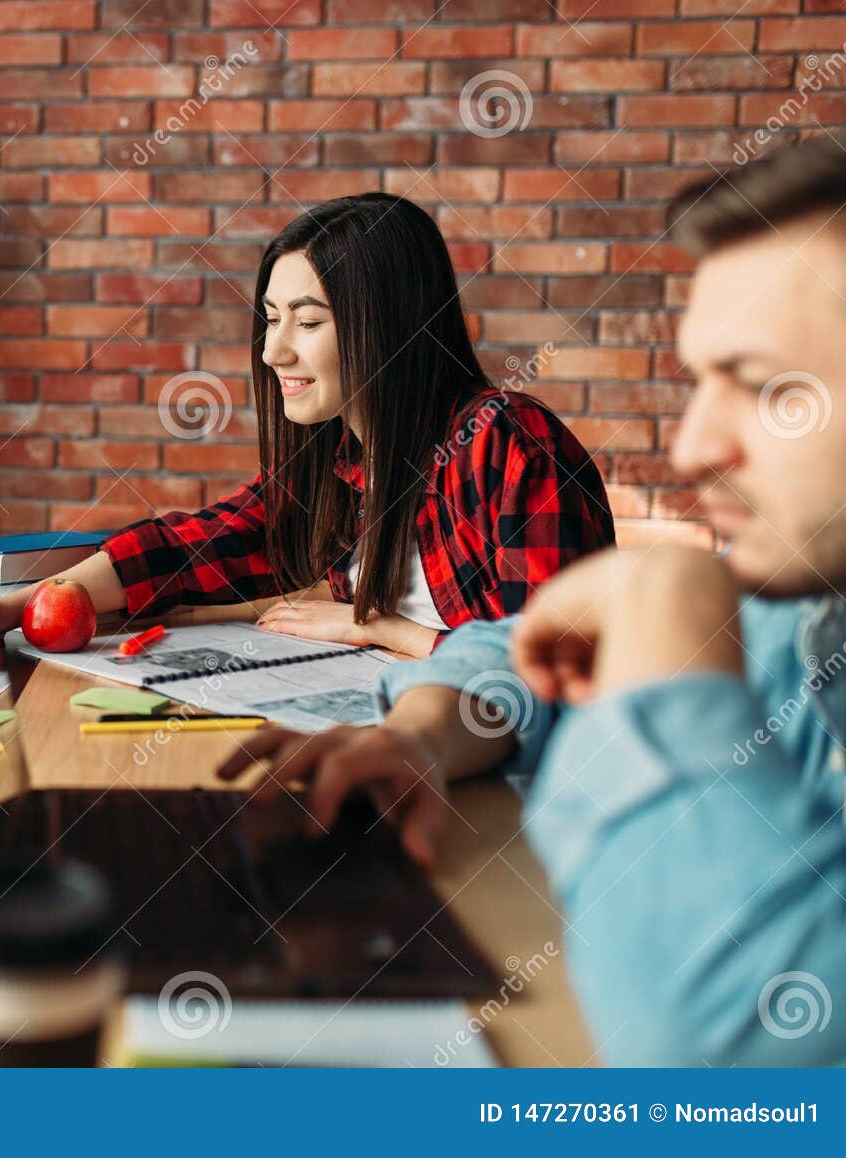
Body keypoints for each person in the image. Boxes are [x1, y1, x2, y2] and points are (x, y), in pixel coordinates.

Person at [222, 138, 846, 1065]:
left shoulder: (499, 440)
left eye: (761, 387)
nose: (691, 448)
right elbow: (521, 649)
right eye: (700, 381)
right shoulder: (797, 611)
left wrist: (665, 633)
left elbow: (724, 1066)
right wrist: (422, 736)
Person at [0, 193, 614, 659]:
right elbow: (201, 547)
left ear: (389, 329)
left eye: (308, 321)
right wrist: (19, 607)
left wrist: (380, 628)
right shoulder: (345, 457)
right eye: (272, 318)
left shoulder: (504, 443)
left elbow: (550, 661)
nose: (274, 352)